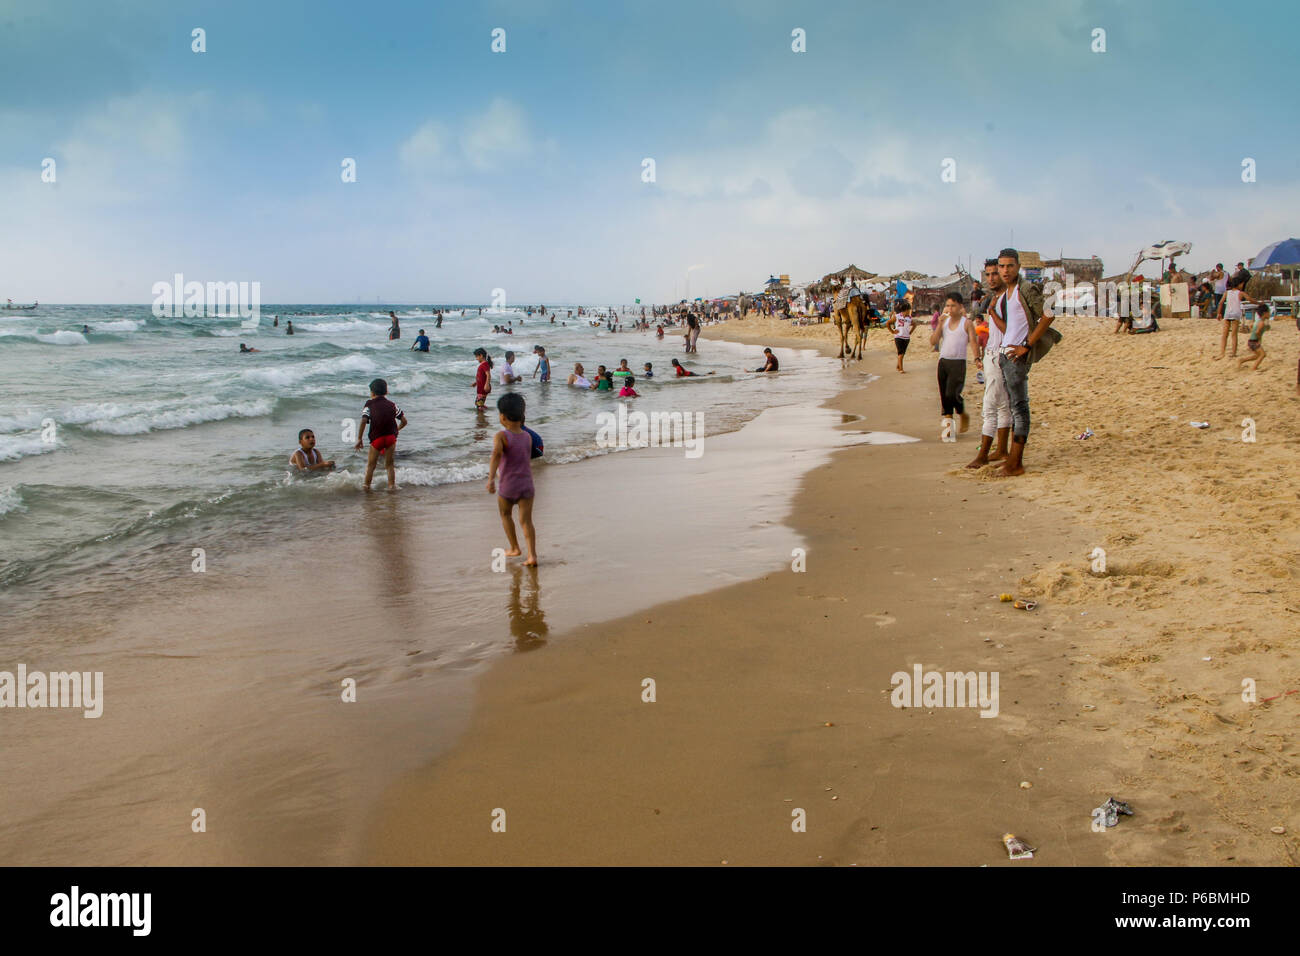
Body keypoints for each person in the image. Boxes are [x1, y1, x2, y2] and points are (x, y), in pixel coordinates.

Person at [989, 248, 1055, 477]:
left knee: (1019, 409)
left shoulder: (1025, 288)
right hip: (1007, 355)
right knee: (1013, 406)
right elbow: (1013, 326)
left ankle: (1016, 463)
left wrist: (1026, 345)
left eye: (1009, 266)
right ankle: (1011, 460)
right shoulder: (1007, 293)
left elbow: (1048, 314)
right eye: (1002, 266)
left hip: (1018, 356)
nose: (1005, 270)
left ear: (1018, 267)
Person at [967, 259, 1012, 468]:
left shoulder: (1005, 300)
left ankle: (983, 455)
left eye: (995, 273)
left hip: (999, 355)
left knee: (990, 406)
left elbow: (1011, 331)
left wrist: (992, 312)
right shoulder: (997, 298)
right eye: (989, 274)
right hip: (994, 355)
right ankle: (1001, 450)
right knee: (1003, 405)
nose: (992, 278)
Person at [486, 392, 537, 566]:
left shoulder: (501, 436)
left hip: (508, 486)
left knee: (505, 514)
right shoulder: (527, 436)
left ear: (502, 417)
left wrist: (491, 479)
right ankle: (532, 556)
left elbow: (496, 454)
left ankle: (515, 548)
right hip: (527, 485)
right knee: (527, 521)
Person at [929, 292, 979, 435]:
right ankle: (949, 429)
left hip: (958, 363)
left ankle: (963, 413)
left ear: (960, 306)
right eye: (948, 306)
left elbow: (973, 342)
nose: (950, 309)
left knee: (952, 394)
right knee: (944, 396)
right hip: (943, 362)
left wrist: (977, 359)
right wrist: (939, 324)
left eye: (953, 306)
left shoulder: (967, 323)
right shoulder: (943, 323)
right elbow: (933, 342)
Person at [354, 378, 407, 491]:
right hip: (391, 438)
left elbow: (364, 420)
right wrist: (396, 430)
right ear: (386, 392)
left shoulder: (369, 404)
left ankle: (366, 486)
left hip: (376, 438)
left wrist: (359, 438)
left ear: (372, 393)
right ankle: (392, 486)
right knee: (389, 465)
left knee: (371, 465)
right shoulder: (392, 405)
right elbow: (404, 421)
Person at [1215, 279, 1254, 359]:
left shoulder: (1227, 293)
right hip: (1236, 314)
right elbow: (1250, 299)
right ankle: (1233, 352)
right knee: (1234, 334)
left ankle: (1222, 353)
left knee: (1225, 335)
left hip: (1228, 314)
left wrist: (1219, 313)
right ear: (1238, 285)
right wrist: (1259, 303)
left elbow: (1220, 303)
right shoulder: (1240, 293)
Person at [1237, 303, 1270, 370]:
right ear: (1265, 313)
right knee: (1263, 355)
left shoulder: (1257, 321)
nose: (1269, 314)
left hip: (1251, 341)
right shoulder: (1261, 323)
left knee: (1257, 355)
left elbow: (1251, 326)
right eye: (1269, 312)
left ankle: (1242, 360)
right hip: (1255, 341)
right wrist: (1258, 339)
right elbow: (1257, 332)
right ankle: (1254, 367)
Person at [887, 300, 914, 372]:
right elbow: (888, 323)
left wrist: (910, 332)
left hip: (906, 338)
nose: (909, 311)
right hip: (898, 337)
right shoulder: (897, 316)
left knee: (902, 353)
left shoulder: (909, 318)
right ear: (906, 310)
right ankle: (901, 369)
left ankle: (898, 366)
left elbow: (915, 325)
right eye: (909, 310)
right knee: (900, 353)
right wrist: (892, 331)